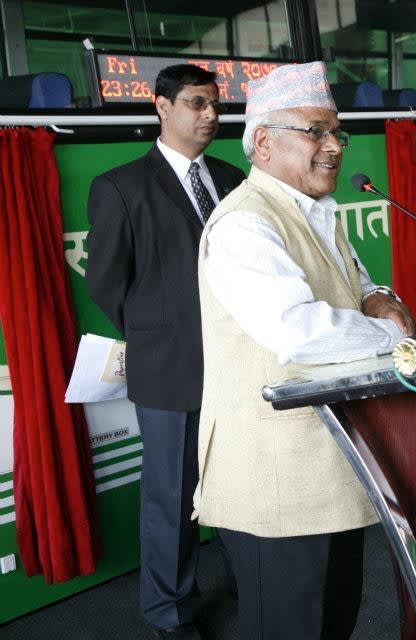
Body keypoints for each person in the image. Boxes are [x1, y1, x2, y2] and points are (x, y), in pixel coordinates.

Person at [193, 61, 415, 640]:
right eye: (314, 131)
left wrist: (381, 298)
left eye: (336, 132)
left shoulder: (317, 212)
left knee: (330, 623)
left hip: (334, 466)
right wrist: (396, 338)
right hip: (276, 481)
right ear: (262, 142)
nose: (333, 147)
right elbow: (300, 331)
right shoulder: (245, 224)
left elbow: (361, 289)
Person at [86, 64, 246, 639]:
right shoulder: (121, 186)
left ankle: (249, 591)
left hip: (239, 368)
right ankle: (170, 613)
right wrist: (159, 332)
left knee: (240, 485)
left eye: (215, 106)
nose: (209, 116)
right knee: (170, 501)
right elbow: (106, 281)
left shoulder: (234, 178)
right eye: (197, 104)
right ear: (161, 106)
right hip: (168, 371)